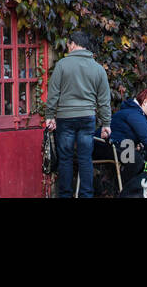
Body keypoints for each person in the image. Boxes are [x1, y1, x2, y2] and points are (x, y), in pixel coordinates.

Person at [44, 30, 112, 198]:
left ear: (73, 44)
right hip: (87, 117)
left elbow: (53, 94)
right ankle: (86, 195)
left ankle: (65, 195)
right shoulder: (98, 69)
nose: (67, 48)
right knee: (85, 159)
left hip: (65, 118)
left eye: (68, 45)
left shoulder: (61, 65)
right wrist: (106, 124)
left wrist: (50, 116)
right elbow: (104, 100)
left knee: (65, 159)